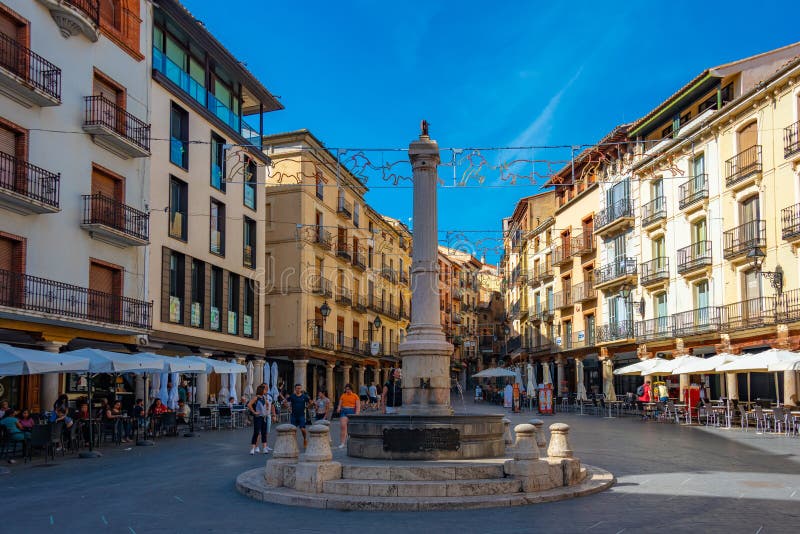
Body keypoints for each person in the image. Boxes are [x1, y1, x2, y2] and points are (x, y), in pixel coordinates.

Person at [247, 385, 272, 455]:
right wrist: (254, 412)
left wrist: (267, 409)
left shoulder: (264, 397)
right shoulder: (256, 398)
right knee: (256, 432)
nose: (265, 391)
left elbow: (267, 404)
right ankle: (253, 448)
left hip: (264, 417)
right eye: (264, 390)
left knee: (264, 432)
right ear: (261, 390)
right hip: (258, 417)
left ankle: (264, 448)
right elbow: (249, 405)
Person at [285, 384, 312, 449]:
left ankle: (305, 439)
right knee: (293, 430)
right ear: (295, 389)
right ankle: (293, 443)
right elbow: (285, 401)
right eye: (297, 388)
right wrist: (288, 408)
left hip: (301, 415)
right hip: (293, 415)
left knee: (303, 429)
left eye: (299, 388)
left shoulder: (304, 396)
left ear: (301, 389)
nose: (298, 390)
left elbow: (311, 402)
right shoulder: (292, 396)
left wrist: (307, 406)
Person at [336, 384, 360, 448]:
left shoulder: (355, 396)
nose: (347, 390)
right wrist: (338, 408)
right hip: (344, 411)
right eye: (346, 389)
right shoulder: (343, 395)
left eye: (348, 389)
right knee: (343, 426)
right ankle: (342, 443)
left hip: (352, 411)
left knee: (351, 427)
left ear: (351, 389)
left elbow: (358, 406)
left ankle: (351, 440)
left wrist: (357, 413)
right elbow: (340, 404)